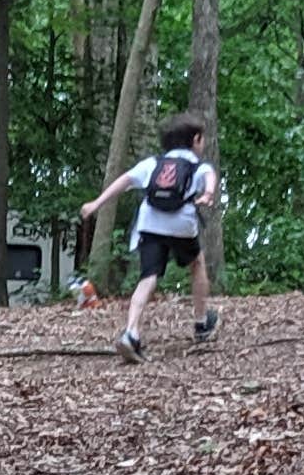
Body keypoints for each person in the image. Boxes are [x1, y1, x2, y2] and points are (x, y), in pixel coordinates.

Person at [82, 119, 218, 357]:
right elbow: (210, 177)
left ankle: (131, 332)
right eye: (202, 139)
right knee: (197, 263)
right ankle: (201, 322)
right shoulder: (198, 165)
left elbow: (123, 181)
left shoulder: (153, 163)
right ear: (195, 139)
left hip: (149, 222)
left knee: (148, 276)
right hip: (181, 223)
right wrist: (207, 194)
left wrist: (97, 203)